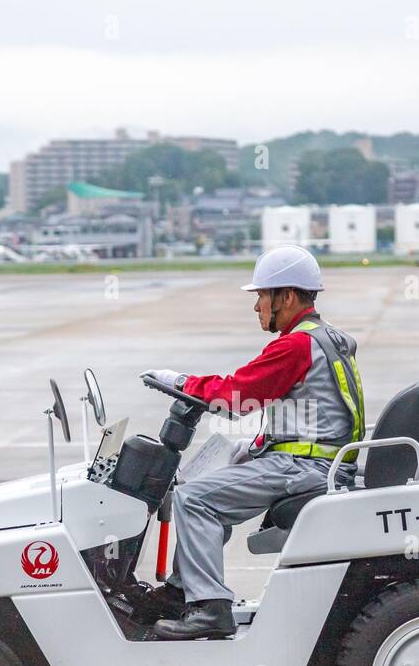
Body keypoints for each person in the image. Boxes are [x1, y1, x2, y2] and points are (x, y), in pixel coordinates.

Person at [142, 245, 366, 640]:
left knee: (194, 498)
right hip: (318, 460)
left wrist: (181, 382)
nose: (257, 307)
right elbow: (311, 409)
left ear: (288, 296)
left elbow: (236, 394)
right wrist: (262, 442)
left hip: (303, 468)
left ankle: (210, 607)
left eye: (262, 296)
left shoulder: (295, 345)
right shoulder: (329, 338)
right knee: (213, 493)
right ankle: (181, 592)